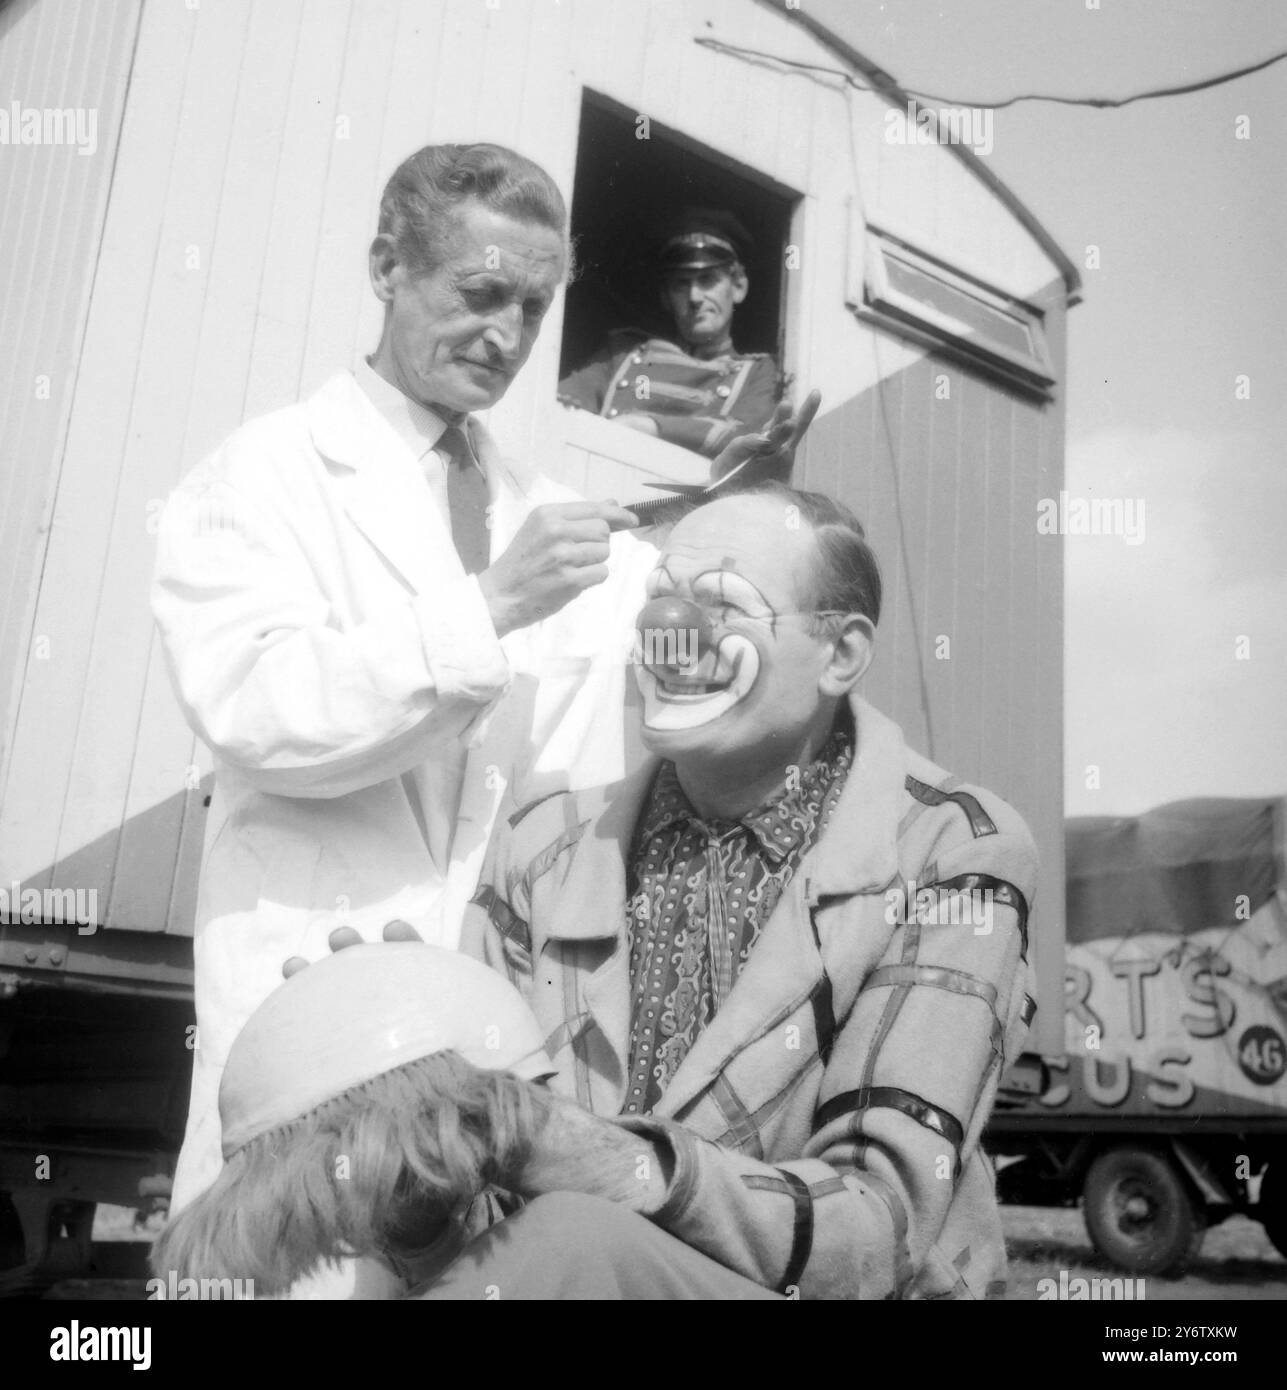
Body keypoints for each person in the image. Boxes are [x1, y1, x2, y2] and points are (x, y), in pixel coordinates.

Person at [150, 142, 655, 1225]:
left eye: (533, 305)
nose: (509, 336)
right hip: (311, 999)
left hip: (489, 1017)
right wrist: (485, 611)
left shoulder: (535, 509)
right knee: (302, 1271)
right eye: (480, 295)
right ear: (388, 267)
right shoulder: (263, 474)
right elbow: (255, 710)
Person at [450, 484, 1039, 1300]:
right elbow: (466, 1206)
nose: (669, 636)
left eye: (723, 606)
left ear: (840, 655)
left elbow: (879, 1224)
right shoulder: (539, 847)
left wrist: (629, 1171)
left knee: (570, 1235)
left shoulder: (950, 852)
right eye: (659, 600)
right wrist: (396, 1060)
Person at [558, 210, 781, 461]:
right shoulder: (621, 353)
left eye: (708, 280)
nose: (695, 297)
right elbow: (564, 403)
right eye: (681, 284)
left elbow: (747, 434)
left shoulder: (760, 372)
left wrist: (649, 425)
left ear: (738, 287)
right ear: (666, 297)